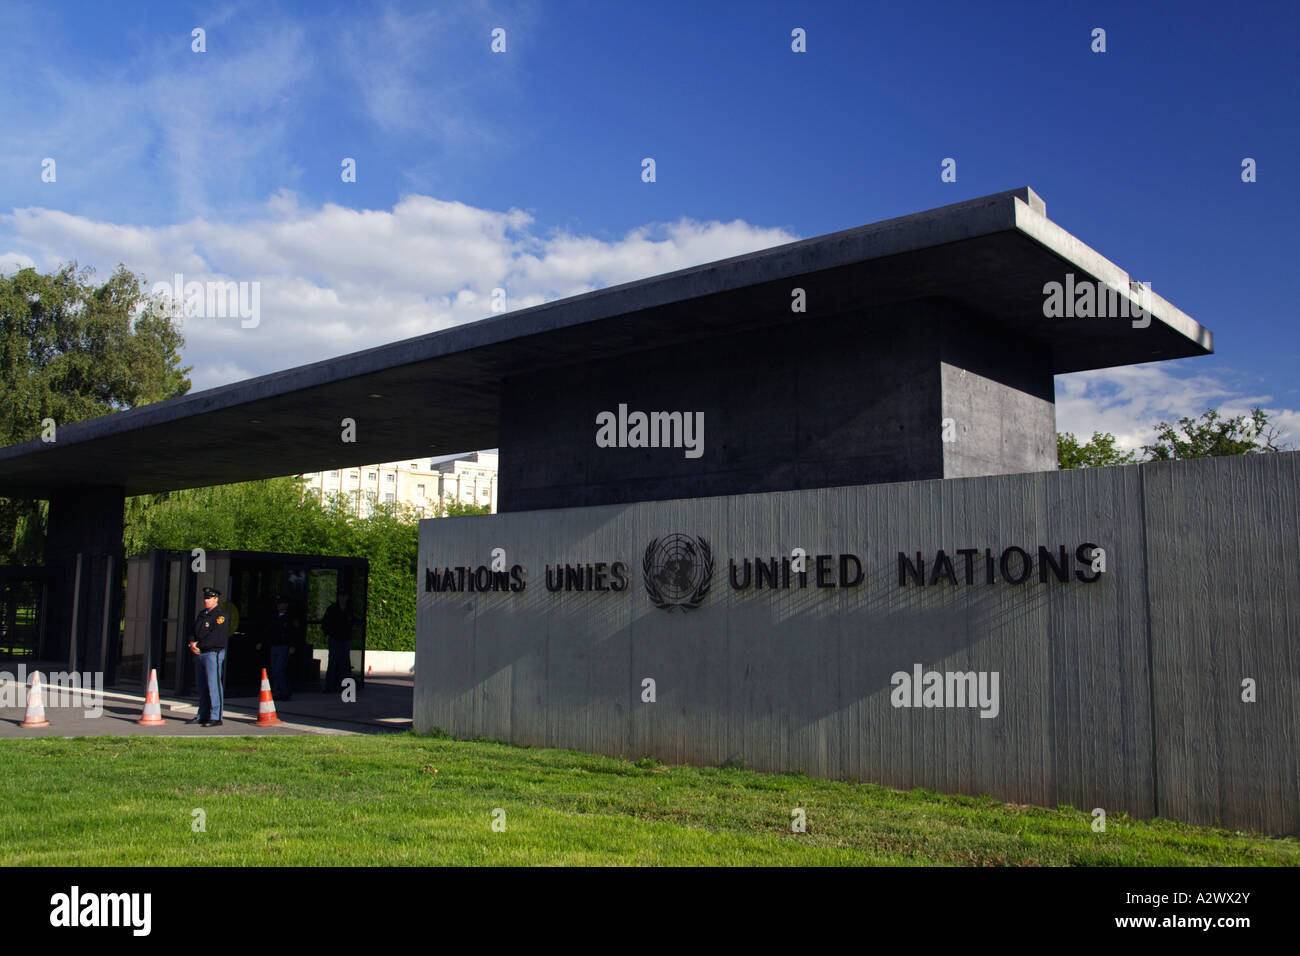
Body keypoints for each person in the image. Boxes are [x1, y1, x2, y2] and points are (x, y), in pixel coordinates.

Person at [188, 586, 230, 727]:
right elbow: (194, 630)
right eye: (205, 598)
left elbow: (216, 638)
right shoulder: (202, 614)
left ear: (216, 599)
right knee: (202, 686)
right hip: (200, 653)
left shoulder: (220, 616)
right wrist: (192, 643)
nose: (206, 600)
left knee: (213, 686)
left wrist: (198, 645)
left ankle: (216, 716)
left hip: (213, 653)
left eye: (209, 598)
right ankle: (203, 714)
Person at [256, 595, 298, 701]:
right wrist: (261, 642)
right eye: (278, 604)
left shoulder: (290, 618)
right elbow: (268, 631)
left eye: (282, 603)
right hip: (274, 646)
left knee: (279, 669)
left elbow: (293, 633)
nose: (279, 606)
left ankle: (285, 691)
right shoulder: (274, 617)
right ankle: (277, 692)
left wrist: (292, 645)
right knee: (274, 670)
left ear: (286, 605)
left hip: (283, 646)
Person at [321, 591, 354, 694]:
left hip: (345, 639)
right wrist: (329, 633)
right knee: (333, 663)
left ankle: (344, 687)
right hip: (335, 638)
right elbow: (325, 622)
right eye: (341, 596)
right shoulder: (332, 609)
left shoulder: (349, 609)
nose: (342, 598)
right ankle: (330, 686)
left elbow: (352, 622)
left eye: (344, 596)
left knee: (344, 664)